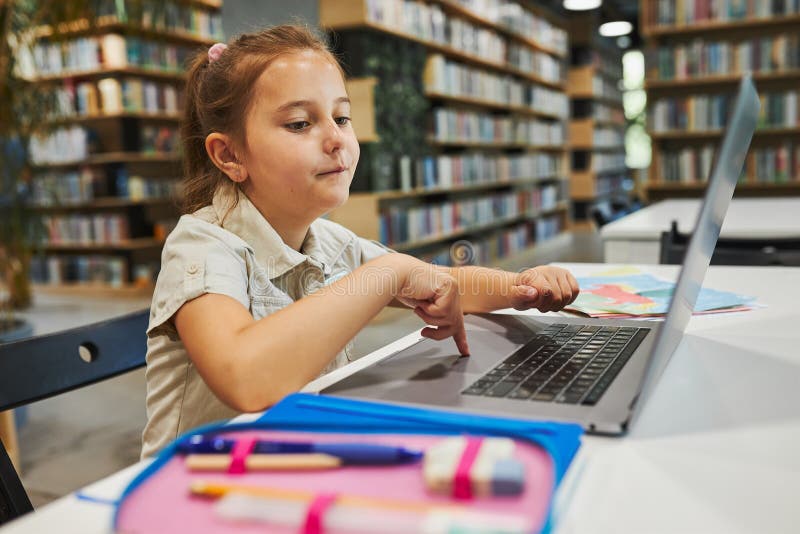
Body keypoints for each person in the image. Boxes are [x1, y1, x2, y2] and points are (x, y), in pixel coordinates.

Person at [141, 24, 579, 457]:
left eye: (342, 117)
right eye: (299, 123)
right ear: (230, 155)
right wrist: (389, 272)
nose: (336, 139)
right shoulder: (201, 246)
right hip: (195, 485)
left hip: (290, 462)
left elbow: (443, 283)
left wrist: (523, 288)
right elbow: (245, 377)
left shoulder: (329, 242)